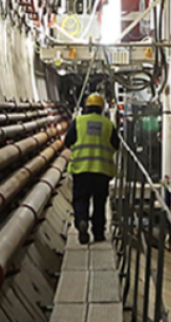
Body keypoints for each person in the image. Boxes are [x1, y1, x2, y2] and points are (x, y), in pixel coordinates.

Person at [66, 92, 117, 244]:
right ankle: (99, 233)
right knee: (99, 203)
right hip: (102, 171)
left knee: (81, 199)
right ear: (102, 108)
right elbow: (116, 145)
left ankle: (82, 221)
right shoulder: (108, 124)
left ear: (85, 108)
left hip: (81, 170)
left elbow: (67, 142)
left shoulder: (78, 122)